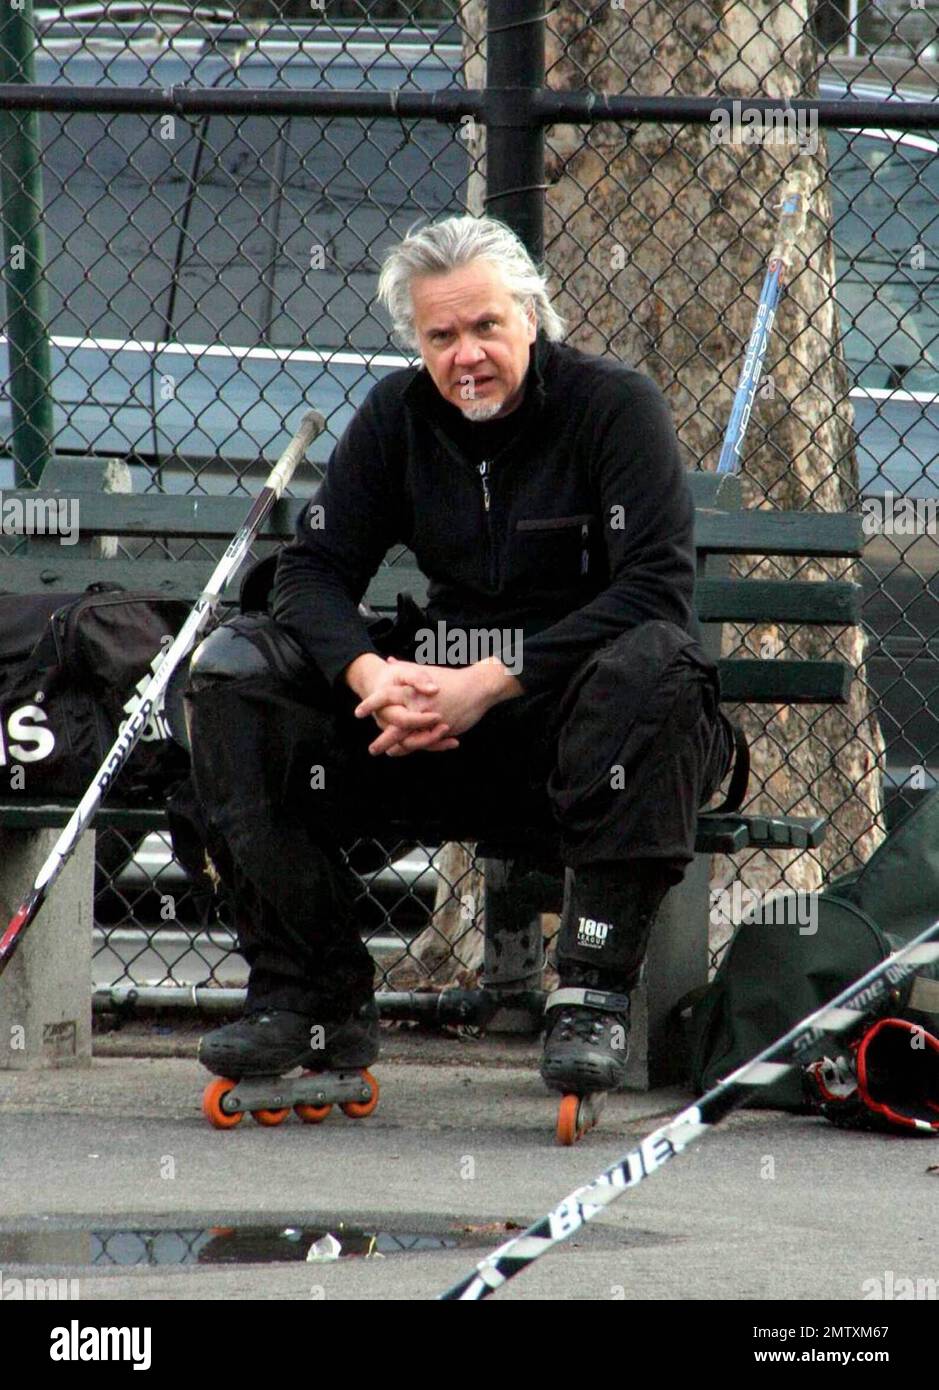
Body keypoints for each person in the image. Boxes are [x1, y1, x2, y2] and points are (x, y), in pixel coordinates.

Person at [187, 213, 735, 1098]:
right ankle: (308, 995)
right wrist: (374, 678)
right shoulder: (395, 418)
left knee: (656, 669)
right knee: (233, 675)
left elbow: (654, 590)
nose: (466, 354)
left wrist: (488, 681)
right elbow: (312, 574)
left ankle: (589, 992)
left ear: (531, 314)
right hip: (429, 735)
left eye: (485, 325)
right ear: (418, 342)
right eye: (440, 335)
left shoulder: (613, 406)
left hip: (580, 733)